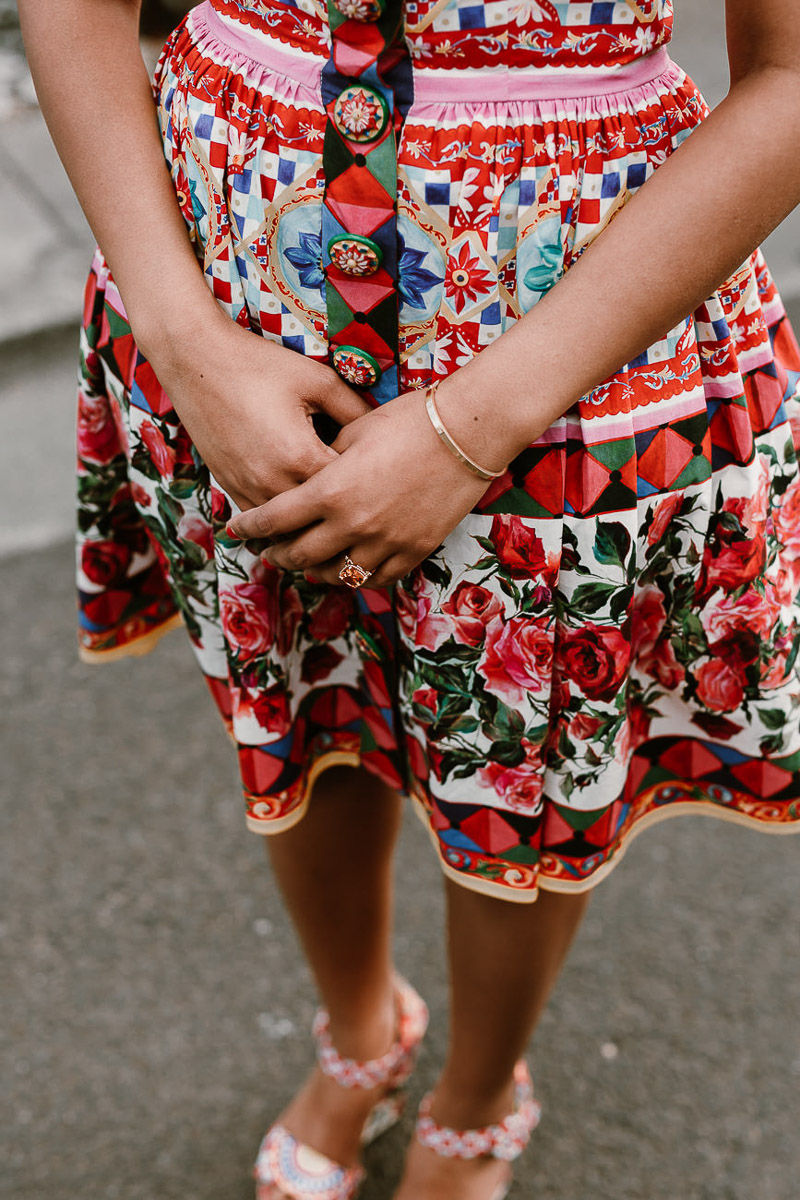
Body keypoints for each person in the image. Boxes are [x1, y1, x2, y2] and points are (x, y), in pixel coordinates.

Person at [19, 0, 800, 1197]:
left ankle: (476, 1103)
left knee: (522, 770)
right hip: (224, 296)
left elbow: (789, 75)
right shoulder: (198, 339)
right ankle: (360, 1027)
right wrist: (184, 339)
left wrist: (464, 433)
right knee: (297, 701)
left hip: (565, 349)